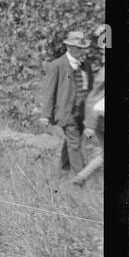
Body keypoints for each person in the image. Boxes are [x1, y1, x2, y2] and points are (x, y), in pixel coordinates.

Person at [39, 30, 95, 174]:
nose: (82, 51)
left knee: (71, 142)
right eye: (79, 48)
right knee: (74, 143)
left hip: (82, 113)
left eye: (83, 48)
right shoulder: (57, 65)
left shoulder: (86, 66)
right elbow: (49, 91)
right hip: (67, 112)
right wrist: (45, 114)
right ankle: (80, 179)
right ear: (69, 47)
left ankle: (62, 171)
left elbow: (90, 90)